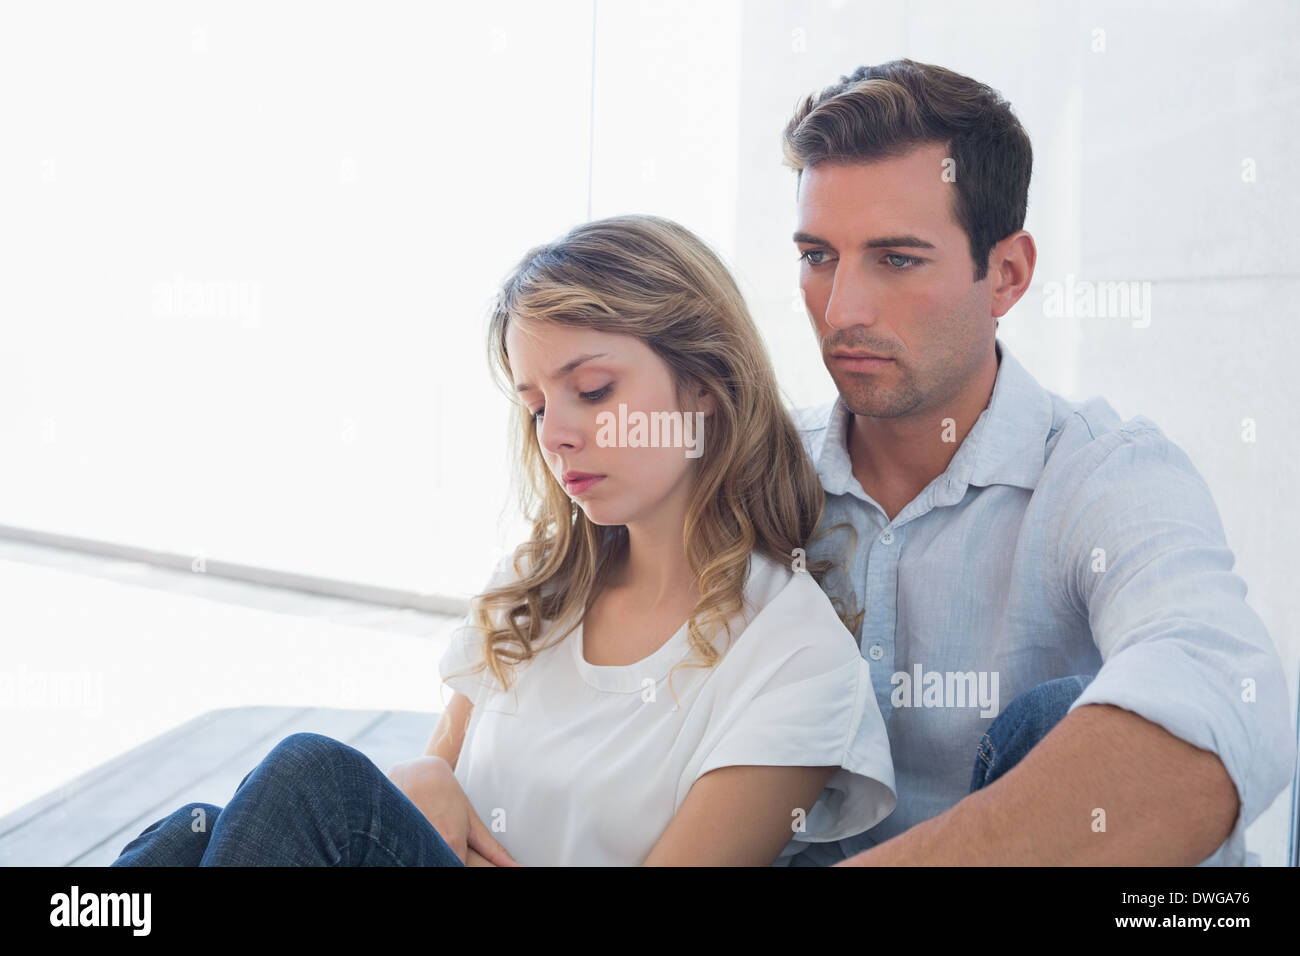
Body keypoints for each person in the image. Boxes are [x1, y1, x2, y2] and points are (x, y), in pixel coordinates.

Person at [113, 214, 898, 867]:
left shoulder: (795, 656)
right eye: (534, 404)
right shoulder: (537, 588)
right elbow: (416, 814)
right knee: (188, 839)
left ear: (702, 385)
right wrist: (423, 774)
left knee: (309, 777)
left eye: (592, 392)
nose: (556, 435)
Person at [779, 59, 1295, 866]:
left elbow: (1222, 701)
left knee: (1065, 716)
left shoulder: (1105, 474)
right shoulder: (756, 474)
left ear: (1008, 274)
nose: (842, 309)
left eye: (897, 259)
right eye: (818, 257)